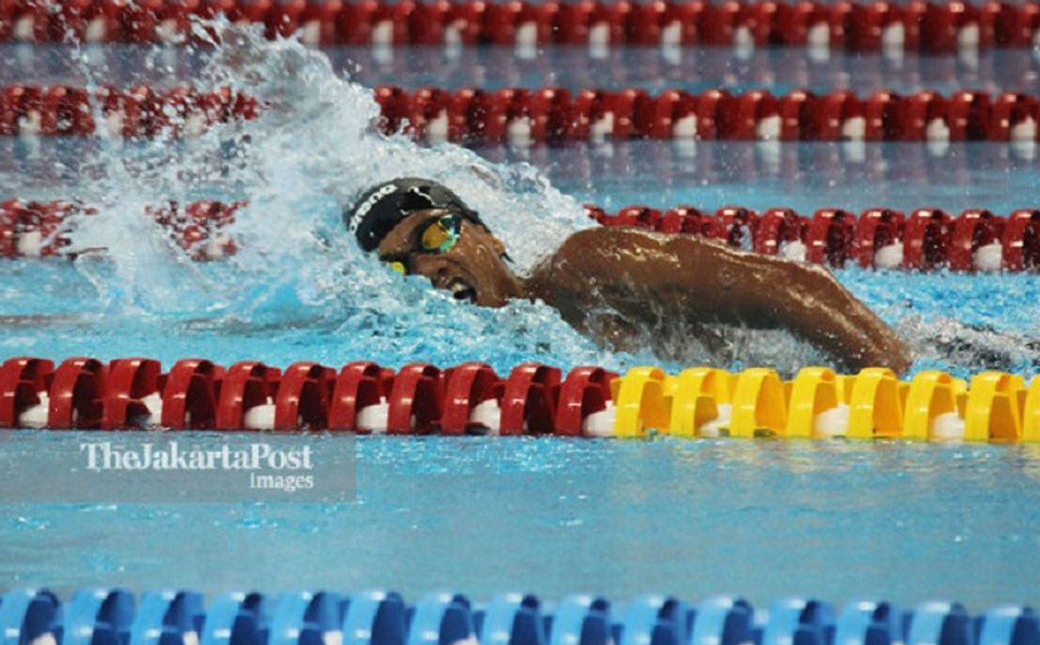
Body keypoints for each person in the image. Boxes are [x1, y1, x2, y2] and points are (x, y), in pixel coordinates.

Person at [345, 177, 912, 374]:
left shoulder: (587, 270)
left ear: (488, 234)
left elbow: (800, 288)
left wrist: (887, 390)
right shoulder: (462, 354)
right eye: (399, 266)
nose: (427, 269)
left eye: (434, 236)